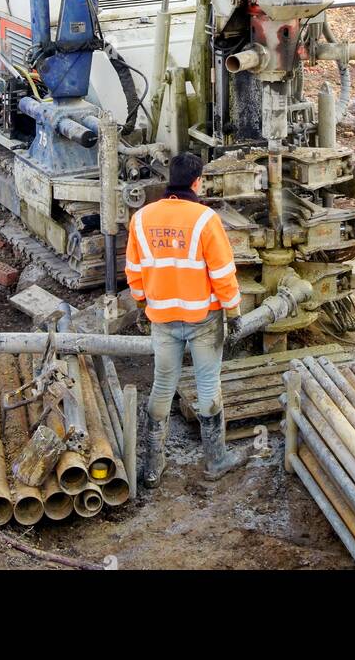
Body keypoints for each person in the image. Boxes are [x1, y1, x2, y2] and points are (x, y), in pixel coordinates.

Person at [124, 151, 246, 487]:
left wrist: (140, 304)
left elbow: (133, 270)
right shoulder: (206, 220)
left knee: (163, 384)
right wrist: (233, 311)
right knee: (208, 385)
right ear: (197, 181)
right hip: (203, 318)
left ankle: (152, 465)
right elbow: (222, 273)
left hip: (161, 317)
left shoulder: (142, 218)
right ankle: (216, 459)